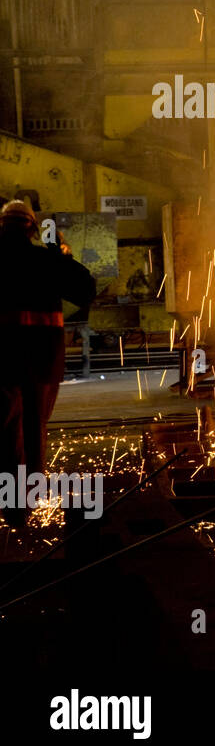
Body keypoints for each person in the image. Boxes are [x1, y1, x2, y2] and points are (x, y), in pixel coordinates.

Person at [0, 200, 96, 528]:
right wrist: (59, 250)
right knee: (33, 428)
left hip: (1, 363)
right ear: (31, 229)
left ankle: (11, 509)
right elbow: (86, 290)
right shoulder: (46, 260)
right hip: (42, 362)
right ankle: (24, 504)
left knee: (7, 430)